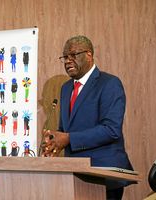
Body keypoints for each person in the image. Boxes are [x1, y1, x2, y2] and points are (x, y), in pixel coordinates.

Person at [41, 35, 134, 200]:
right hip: (74, 174)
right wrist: (55, 141)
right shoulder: (66, 88)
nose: (68, 61)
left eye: (73, 55)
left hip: (103, 175)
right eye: (64, 57)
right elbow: (66, 129)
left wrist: (68, 138)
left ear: (89, 55)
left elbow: (111, 130)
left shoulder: (109, 83)